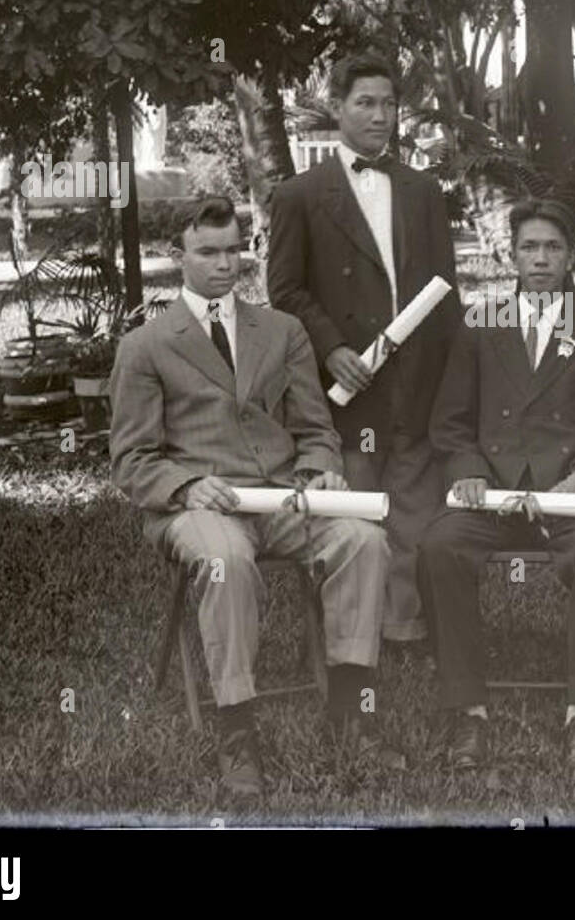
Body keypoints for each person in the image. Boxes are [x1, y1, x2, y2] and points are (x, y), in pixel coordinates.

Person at [110, 195, 397, 795]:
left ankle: (349, 711)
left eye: (233, 251)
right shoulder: (146, 345)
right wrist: (188, 485)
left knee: (363, 540)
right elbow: (131, 461)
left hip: (285, 499)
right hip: (197, 507)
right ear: (177, 256)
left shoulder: (284, 331)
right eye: (207, 252)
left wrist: (319, 469)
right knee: (226, 560)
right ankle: (236, 728)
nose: (223, 265)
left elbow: (316, 429)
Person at [421, 198, 575, 778]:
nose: (541, 259)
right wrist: (467, 470)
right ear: (508, 255)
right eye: (529, 248)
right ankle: (469, 707)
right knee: (440, 547)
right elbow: (450, 422)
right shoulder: (478, 324)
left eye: (553, 248)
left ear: (571, 256)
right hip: (490, 492)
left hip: (566, 494)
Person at [268, 52, 461, 647]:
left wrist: (449, 375)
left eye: (388, 104)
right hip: (346, 379)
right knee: (354, 497)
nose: (380, 116)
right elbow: (285, 290)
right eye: (365, 104)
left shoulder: (423, 189)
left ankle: (405, 626)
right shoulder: (301, 194)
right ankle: (350, 632)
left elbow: (444, 290)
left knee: (413, 498)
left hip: (415, 372)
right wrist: (330, 349)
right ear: (338, 108)